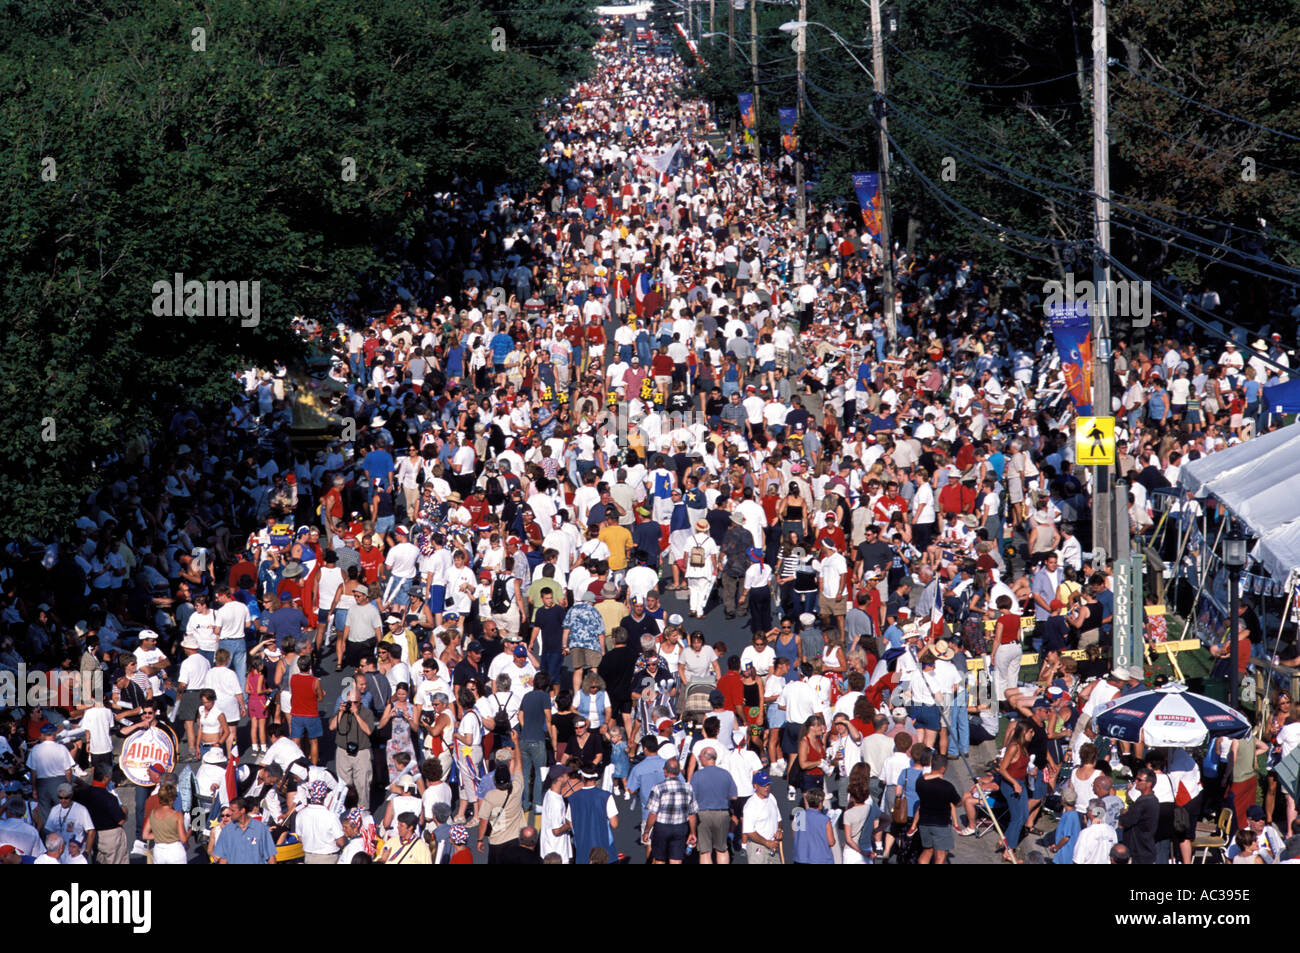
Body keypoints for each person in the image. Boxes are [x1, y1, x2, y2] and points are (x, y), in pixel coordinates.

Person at [644, 757, 698, 864]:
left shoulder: (658, 788)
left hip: (662, 827)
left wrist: (647, 830)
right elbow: (692, 814)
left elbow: (653, 813)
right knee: (676, 859)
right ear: (678, 772)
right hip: (680, 826)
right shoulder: (688, 788)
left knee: (660, 859)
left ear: (665, 771)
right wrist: (692, 832)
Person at [910, 753, 961, 865]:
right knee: (941, 855)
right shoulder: (947, 786)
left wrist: (936, 775)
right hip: (941, 824)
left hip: (924, 822)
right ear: (943, 768)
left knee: (927, 851)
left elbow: (925, 778)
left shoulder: (920, 783)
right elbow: (958, 803)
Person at [568, 761, 618, 864]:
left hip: (582, 850)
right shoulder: (606, 796)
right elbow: (614, 824)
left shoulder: (572, 798)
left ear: (582, 777)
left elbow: (570, 823)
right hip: (603, 850)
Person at [212, 796, 277, 864]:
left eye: (233, 811)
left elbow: (271, 857)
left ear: (242, 810)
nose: (230, 813)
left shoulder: (261, 829)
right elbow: (223, 859)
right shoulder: (227, 831)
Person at [1117, 768, 1159, 864]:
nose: (1136, 781)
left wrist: (1124, 813)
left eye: (1139, 780)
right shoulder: (1152, 800)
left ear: (1149, 784)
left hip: (1139, 852)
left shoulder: (1143, 803)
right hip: (1145, 849)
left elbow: (1123, 823)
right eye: (1136, 779)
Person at [742, 770, 783, 864]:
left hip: (773, 846)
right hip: (758, 848)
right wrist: (766, 843)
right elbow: (749, 831)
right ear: (755, 786)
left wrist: (780, 830)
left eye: (768, 784)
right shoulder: (750, 805)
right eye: (763, 785)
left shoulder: (771, 797)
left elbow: (779, 820)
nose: (767, 788)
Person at [142, 783, 188, 865]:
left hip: (159, 851)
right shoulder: (177, 815)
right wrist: (190, 831)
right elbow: (183, 839)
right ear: (172, 799)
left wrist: (160, 834)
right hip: (175, 850)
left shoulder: (153, 813)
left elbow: (145, 835)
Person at [1073, 799, 1118, 864]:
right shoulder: (1112, 831)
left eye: (1088, 809)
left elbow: (1077, 860)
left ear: (1091, 812)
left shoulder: (1086, 833)